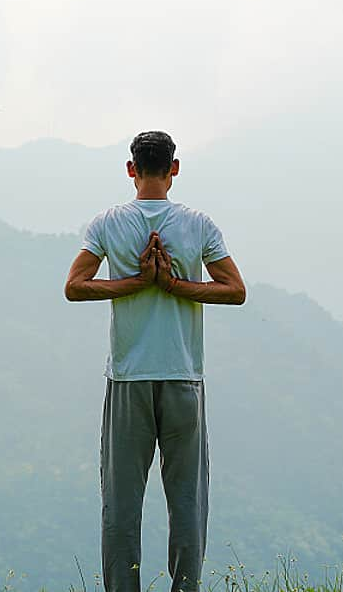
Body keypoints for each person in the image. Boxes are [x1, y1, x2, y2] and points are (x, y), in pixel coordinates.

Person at [64, 131, 246, 592]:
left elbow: (76, 285)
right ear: (174, 168)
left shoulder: (108, 223)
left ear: (131, 169)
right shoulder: (198, 224)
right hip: (184, 377)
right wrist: (176, 285)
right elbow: (235, 291)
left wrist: (132, 283)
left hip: (128, 378)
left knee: (122, 503)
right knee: (187, 501)